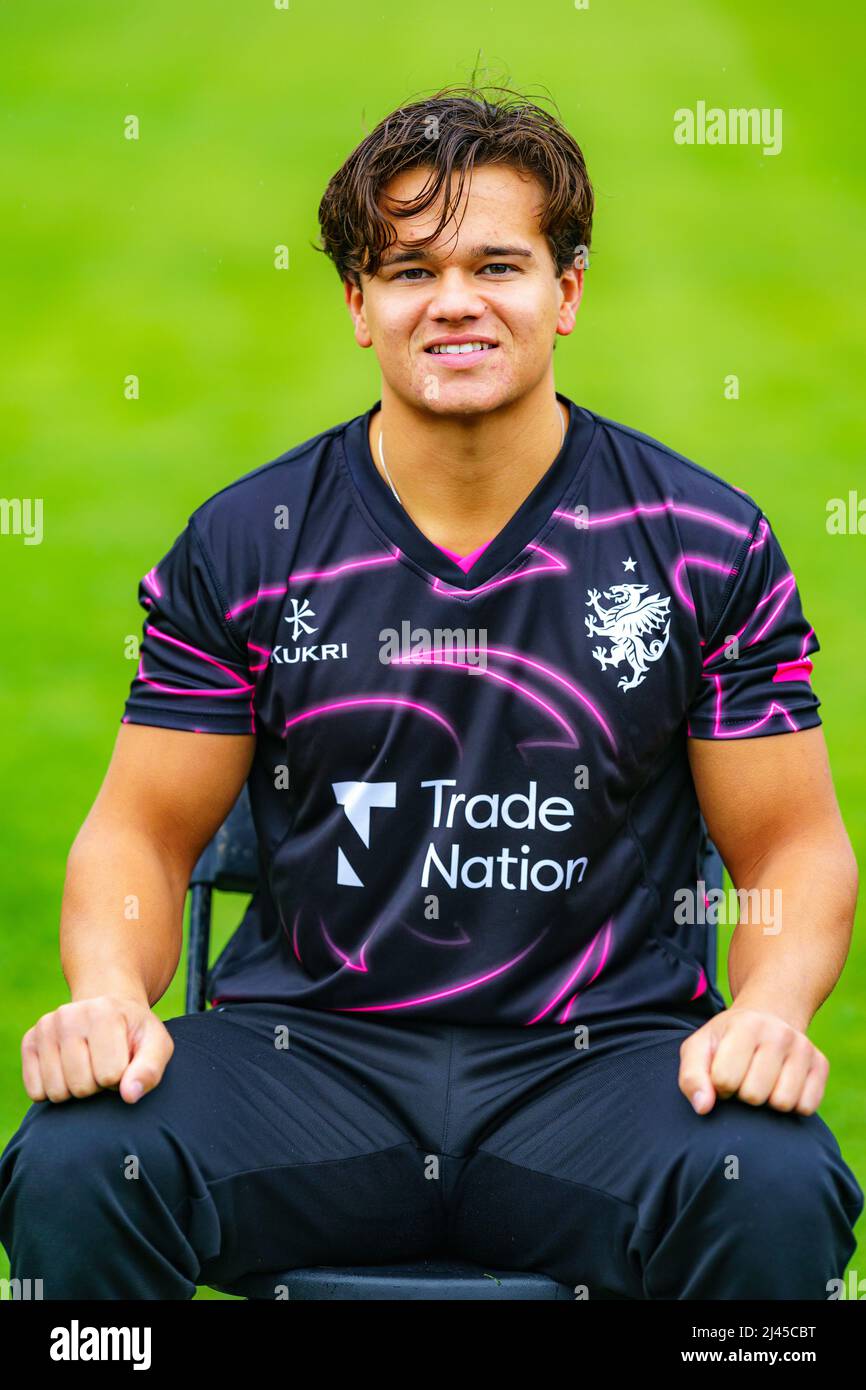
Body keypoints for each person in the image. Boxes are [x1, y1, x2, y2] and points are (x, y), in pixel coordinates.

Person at [0, 85, 861, 1300]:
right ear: (358, 306)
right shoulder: (251, 540)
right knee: (83, 1157)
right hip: (308, 1060)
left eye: (495, 264)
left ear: (566, 291)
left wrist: (767, 1010)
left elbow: (789, 849)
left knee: (764, 1179)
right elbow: (141, 833)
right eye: (407, 269)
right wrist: (103, 999)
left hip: (601, 1068)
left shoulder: (699, 542)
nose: (451, 300)